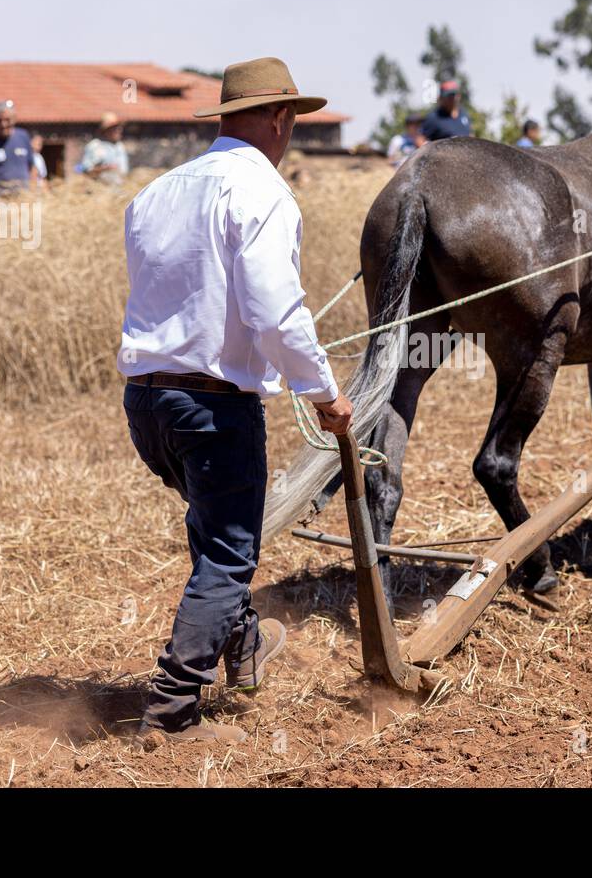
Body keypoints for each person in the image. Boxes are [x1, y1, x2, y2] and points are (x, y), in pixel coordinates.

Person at [119, 56, 352, 745]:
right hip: (214, 407)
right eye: (293, 122)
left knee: (213, 522)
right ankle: (170, 707)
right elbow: (276, 314)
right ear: (280, 117)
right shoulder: (263, 192)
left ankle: (244, 643)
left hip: (146, 405)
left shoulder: (155, 192)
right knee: (227, 554)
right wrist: (324, 393)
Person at [0, 100, 39, 195]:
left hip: (24, 199)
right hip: (0, 202)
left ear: (14, 119)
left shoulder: (23, 137)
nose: (3, 124)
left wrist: (32, 192)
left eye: (7, 120)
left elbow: (32, 168)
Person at [81, 112, 130, 184]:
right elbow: (86, 169)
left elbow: (124, 170)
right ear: (106, 130)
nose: (118, 131)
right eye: (114, 128)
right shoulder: (95, 145)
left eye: (119, 128)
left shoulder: (120, 146)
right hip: (101, 188)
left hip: (121, 186)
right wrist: (105, 168)